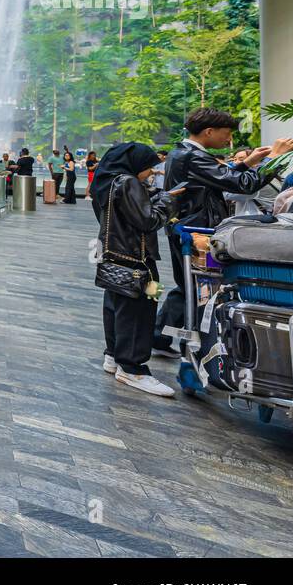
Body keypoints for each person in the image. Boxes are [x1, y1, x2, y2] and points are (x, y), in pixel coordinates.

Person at [155, 108, 293, 372]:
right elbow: (242, 185)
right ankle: (193, 351)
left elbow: (220, 179)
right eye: (226, 134)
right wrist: (274, 159)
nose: (228, 140)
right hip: (194, 231)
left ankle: (162, 337)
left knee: (187, 287)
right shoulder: (193, 156)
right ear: (209, 132)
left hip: (186, 227)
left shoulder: (183, 153)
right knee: (197, 290)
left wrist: (247, 163)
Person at [91, 143, 180, 397]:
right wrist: (169, 200)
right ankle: (133, 368)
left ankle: (113, 355)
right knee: (144, 306)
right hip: (138, 260)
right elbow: (148, 220)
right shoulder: (127, 182)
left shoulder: (108, 181)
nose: (152, 171)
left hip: (114, 256)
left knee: (116, 304)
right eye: (149, 166)